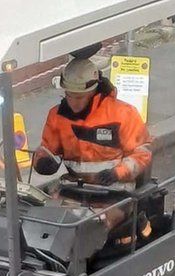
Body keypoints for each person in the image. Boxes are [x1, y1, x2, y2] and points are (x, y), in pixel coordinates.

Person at [33, 57, 153, 236]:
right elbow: (47, 149)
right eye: (68, 96)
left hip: (115, 192)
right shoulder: (57, 116)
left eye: (79, 97)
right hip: (73, 189)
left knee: (90, 230)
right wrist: (42, 162)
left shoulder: (122, 114)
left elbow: (142, 152)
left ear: (93, 92)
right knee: (45, 223)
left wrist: (116, 173)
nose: (73, 102)